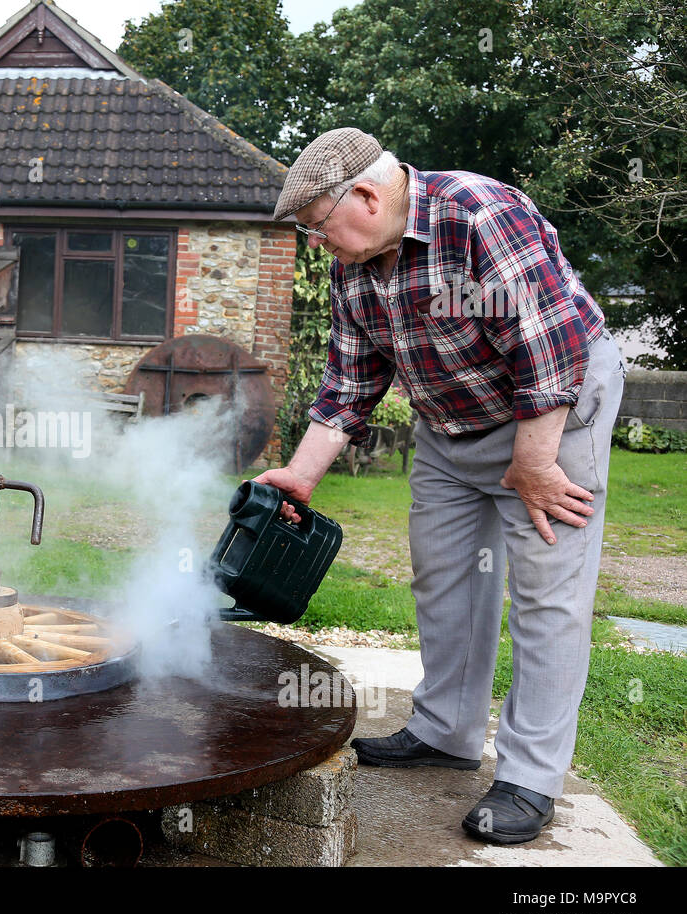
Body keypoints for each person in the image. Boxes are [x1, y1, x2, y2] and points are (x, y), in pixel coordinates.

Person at [256, 128, 624, 845]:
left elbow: (547, 348)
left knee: (548, 596)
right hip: (450, 422)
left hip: (552, 414)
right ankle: (447, 729)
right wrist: (300, 476)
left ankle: (531, 777)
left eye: (317, 228)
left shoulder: (478, 214)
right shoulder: (355, 264)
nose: (316, 245)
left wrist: (537, 464)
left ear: (365, 195)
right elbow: (351, 380)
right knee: (444, 576)